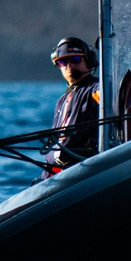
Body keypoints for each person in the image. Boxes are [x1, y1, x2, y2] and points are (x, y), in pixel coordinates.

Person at [47, 35, 103, 170]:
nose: (69, 66)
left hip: (85, 167)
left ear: (89, 61)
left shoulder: (94, 89)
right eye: (63, 62)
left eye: (76, 59)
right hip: (59, 173)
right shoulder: (61, 102)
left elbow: (105, 98)